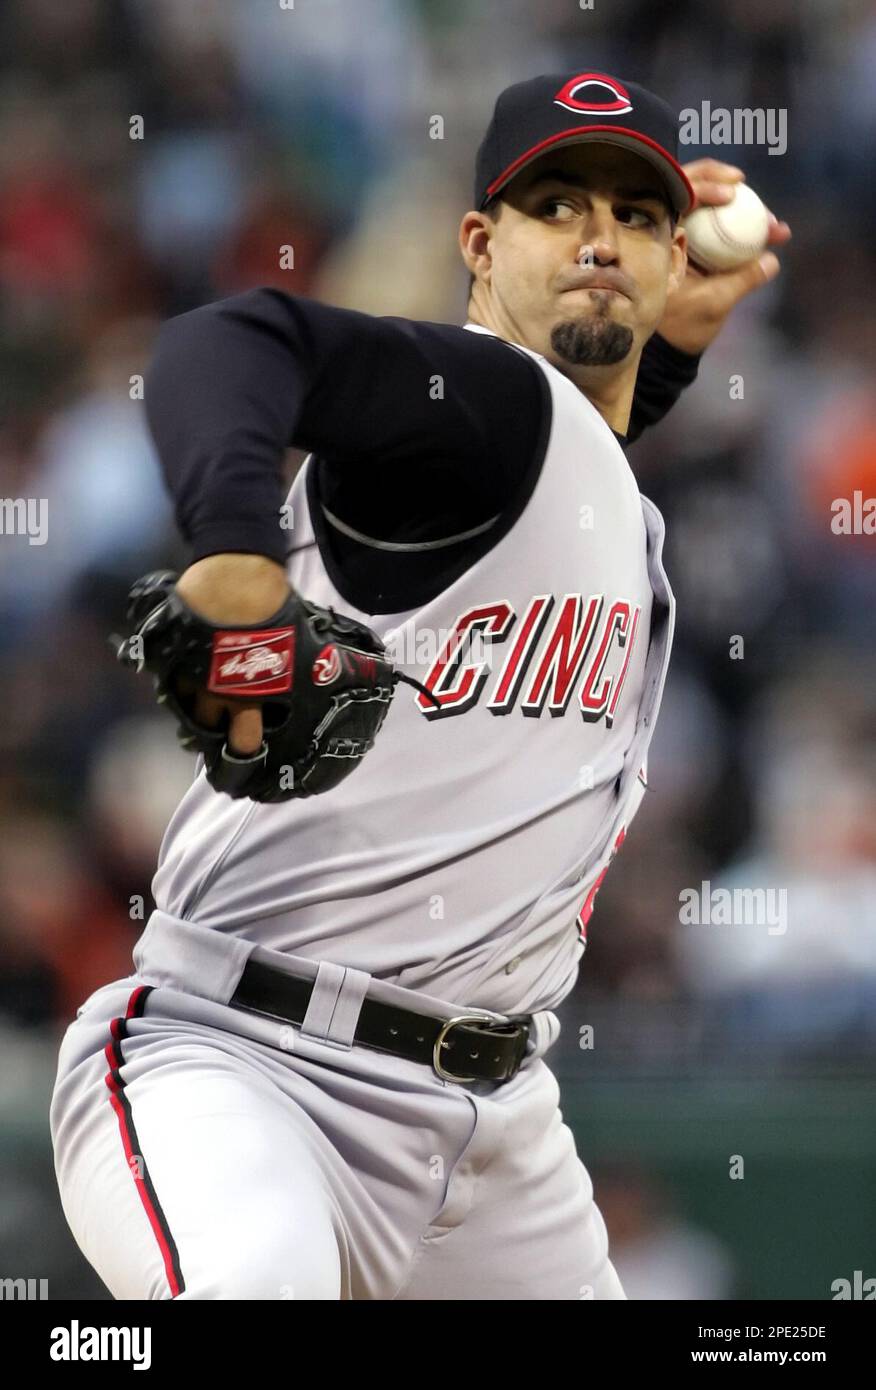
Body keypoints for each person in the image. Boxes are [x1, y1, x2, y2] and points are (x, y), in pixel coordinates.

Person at [50, 71, 789, 1300]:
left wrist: (664, 358)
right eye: (560, 206)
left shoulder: (567, 467)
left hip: (492, 1131)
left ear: (671, 262)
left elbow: (570, 474)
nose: (602, 238)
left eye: (638, 216)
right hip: (245, 1068)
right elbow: (235, 340)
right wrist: (232, 551)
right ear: (481, 247)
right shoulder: (487, 396)